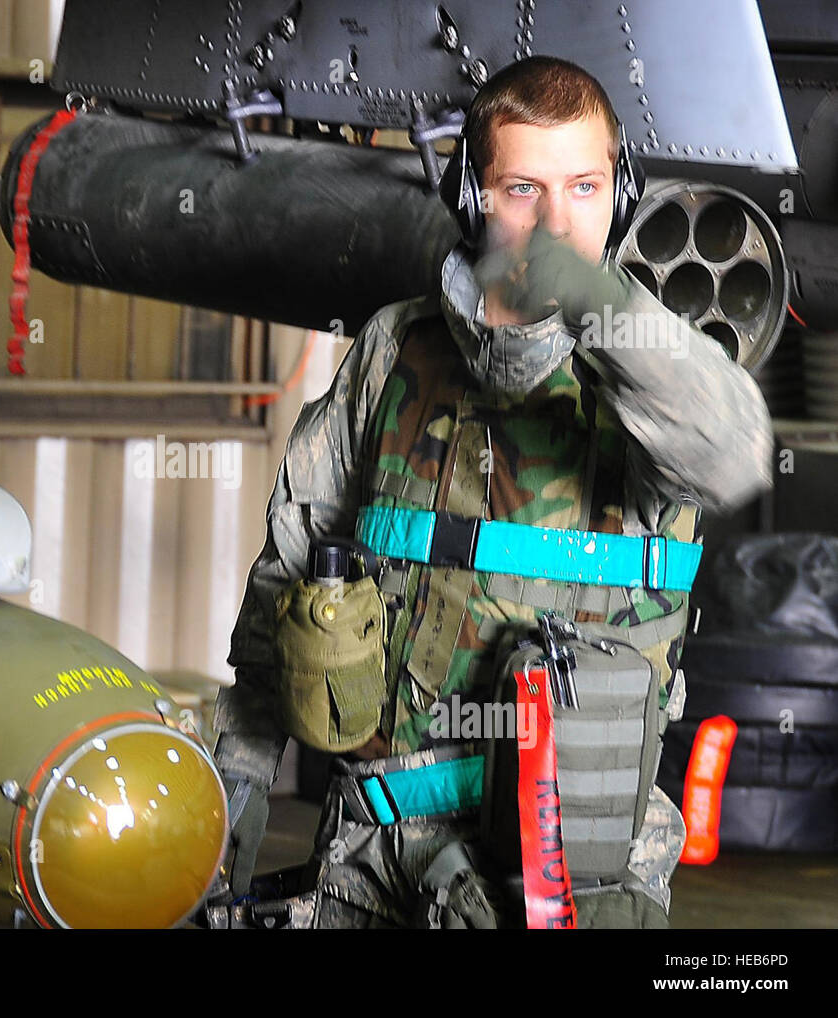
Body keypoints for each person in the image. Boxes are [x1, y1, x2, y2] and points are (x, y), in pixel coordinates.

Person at [212, 55, 774, 929]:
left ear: (621, 195)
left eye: (585, 186)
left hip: (557, 872)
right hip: (370, 853)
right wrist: (229, 807)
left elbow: (734, 452)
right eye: (523, 189)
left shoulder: (648, 373)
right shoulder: (395, 349)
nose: (555, 222)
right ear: (472, 198)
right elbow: (286, 580)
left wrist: (588, 297)